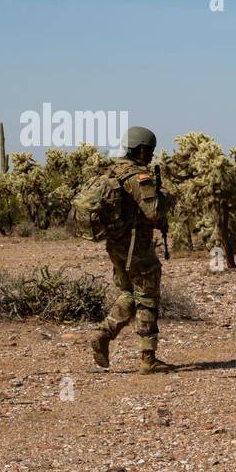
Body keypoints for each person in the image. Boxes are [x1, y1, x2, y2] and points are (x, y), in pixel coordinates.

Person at [90, 126, 173, 374]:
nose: (151, 157)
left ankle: (103, 333)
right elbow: (154, 211)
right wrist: (167, 196)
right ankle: (148, 358)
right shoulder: (139, 177)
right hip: (137, 246)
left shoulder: (112, 172)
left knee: (129, 292)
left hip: (116, 244)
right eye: (150, 151)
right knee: (147, 297)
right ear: (142, 149)